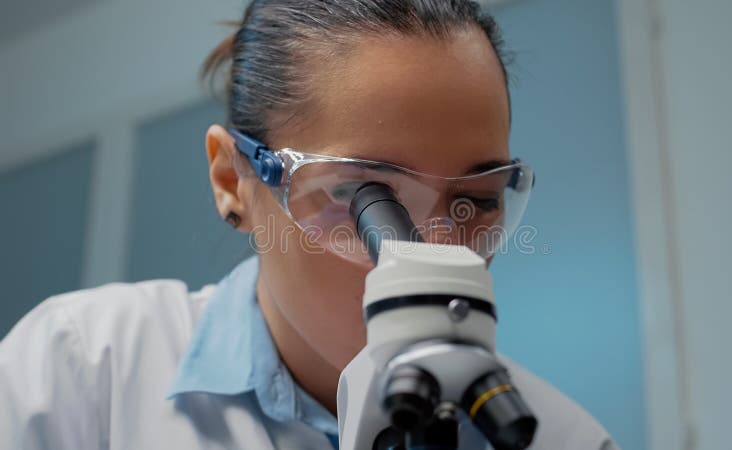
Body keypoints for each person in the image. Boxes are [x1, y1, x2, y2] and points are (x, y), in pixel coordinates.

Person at [0, 1, 618, 449]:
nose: (431, 251)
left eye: (477, 201)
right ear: (231, 179)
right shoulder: (79, 369)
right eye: (363, 196)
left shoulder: (562, 437)